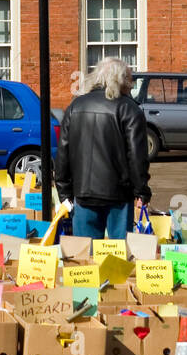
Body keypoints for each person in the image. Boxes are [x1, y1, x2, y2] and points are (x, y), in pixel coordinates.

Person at [54, 58, 151, 239]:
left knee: (85, 258)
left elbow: (63, 154)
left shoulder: (76, 105)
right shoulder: (130, 109)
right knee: (118, 257)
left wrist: (63, 191)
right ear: (122, 80)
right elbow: (137, 157)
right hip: (119, 196)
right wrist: (142, 191)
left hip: (83, 193)